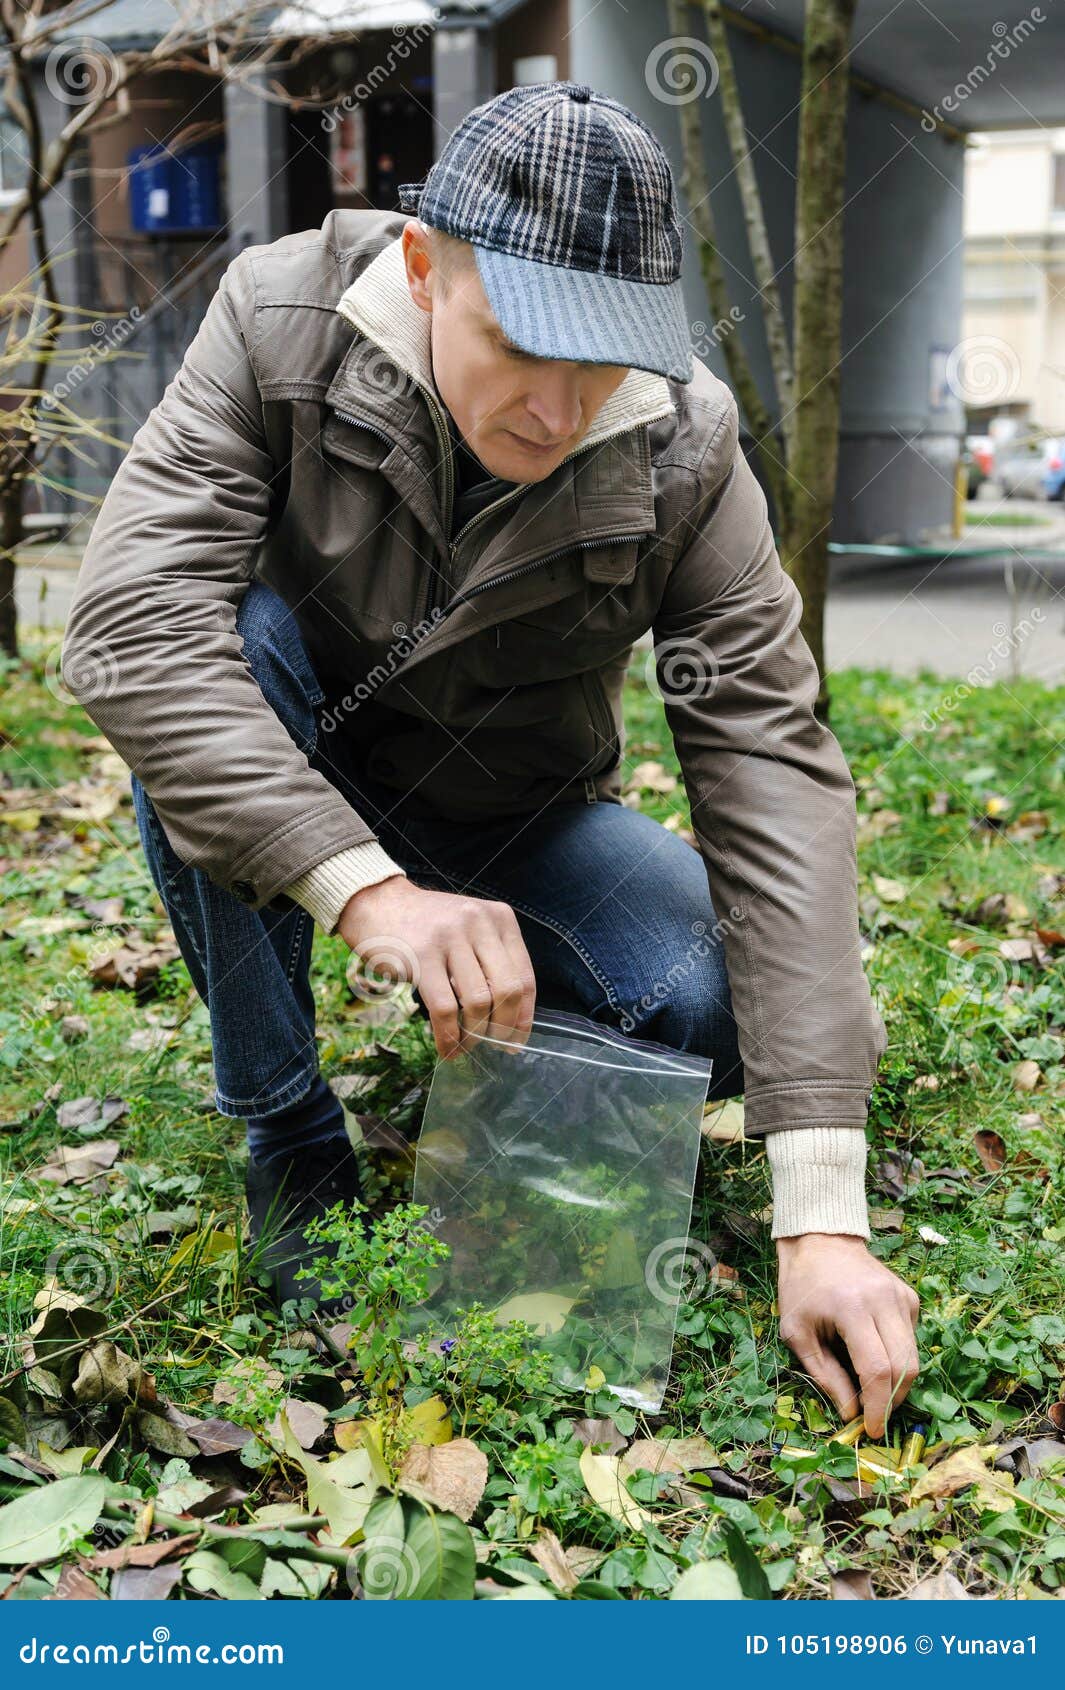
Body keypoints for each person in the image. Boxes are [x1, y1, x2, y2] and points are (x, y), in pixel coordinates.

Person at [61, 80, 919, 1434]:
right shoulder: (279, 319)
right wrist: (366, 889)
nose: (557, 403)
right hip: (296, 767)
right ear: (423, 266)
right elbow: (129, 634)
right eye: (522, 340)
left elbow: (770, 768)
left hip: (514, 810)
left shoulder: (684, 445)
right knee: (221, 645)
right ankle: (287, 1128)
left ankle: (507, 1053)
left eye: (603, 353)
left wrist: (822, 1210)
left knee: (718, 1013)